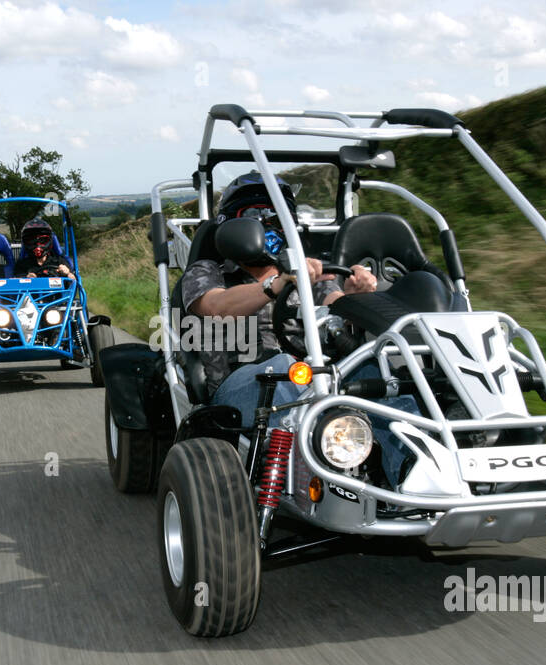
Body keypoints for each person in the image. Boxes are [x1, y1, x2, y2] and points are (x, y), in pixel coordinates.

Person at [180, 172, 422, 488]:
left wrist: (355, 295)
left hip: (315, 381)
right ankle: (320, 476)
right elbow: (215, 306)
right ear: (233, 226)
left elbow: (334, 306)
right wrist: (276, 284)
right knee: (282, 369)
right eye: (257, 216)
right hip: (237, 387)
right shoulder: (209, 271)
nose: (270, 224)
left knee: (374, 370)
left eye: (279, 216)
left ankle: (412, 470)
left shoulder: (305, 271)